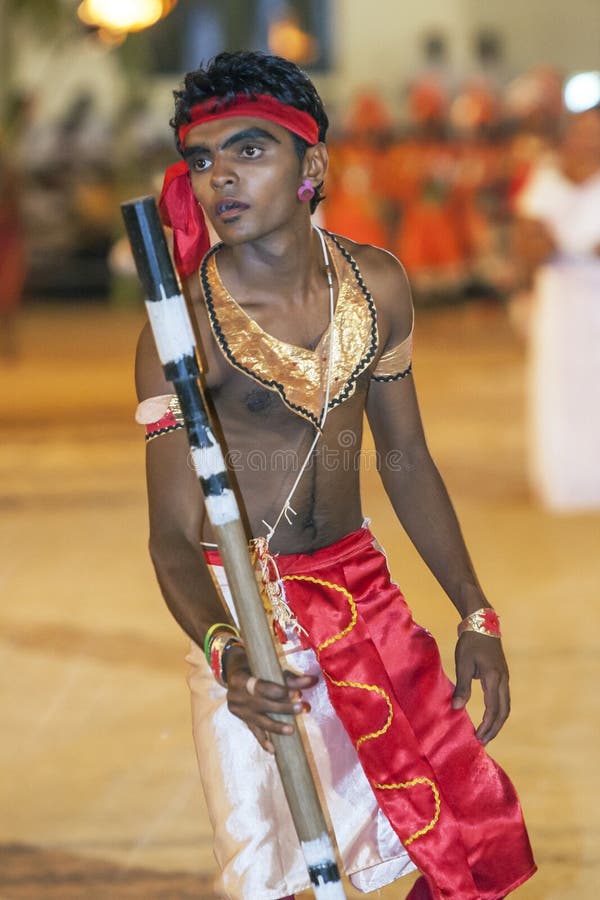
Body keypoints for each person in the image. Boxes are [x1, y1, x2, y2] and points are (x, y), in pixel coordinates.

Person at [135, 51, 536, 900]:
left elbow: (406, 458)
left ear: (311, 167)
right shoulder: (182, 334)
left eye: (249, 152)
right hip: (250, 615)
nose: (220, 181)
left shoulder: (378, 284)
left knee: (463, 841)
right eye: (202, 160)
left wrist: (477, 610)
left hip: (363, 597)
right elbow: (172, 538)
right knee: (276, 876)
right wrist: (227, 656)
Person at [514, 105, 600, 509]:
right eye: (583, 130)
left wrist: (562, 241)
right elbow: (530, 244)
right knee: (560, 386)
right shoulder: (546, 178)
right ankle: (562, 481)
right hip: (561, 300)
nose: (589, 139)